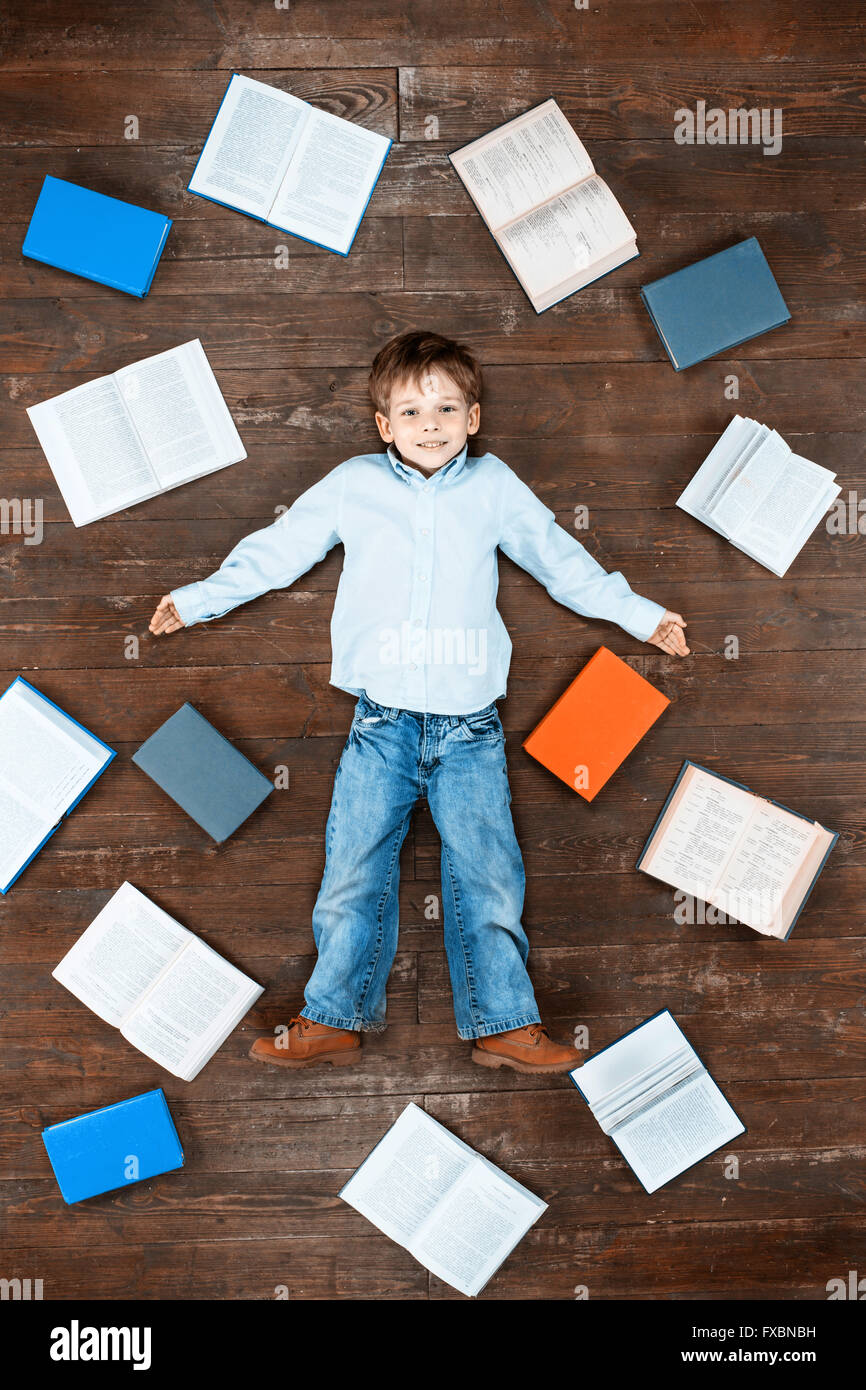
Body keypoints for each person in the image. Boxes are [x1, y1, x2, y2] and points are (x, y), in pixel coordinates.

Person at [149, 331, 689, 1073]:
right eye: (410, 411)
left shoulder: (494, 486)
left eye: (445, 409)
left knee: (490, 872)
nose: (429, 424)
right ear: (384, 426)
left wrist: (642, 617)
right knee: (352, 869)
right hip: (382, 721)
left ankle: (504, 1023)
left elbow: (561, 561)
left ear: (473, 418)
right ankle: (332, 1017)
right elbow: (280, 549)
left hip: (471, 727)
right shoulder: (354, 484)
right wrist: (197, 600)